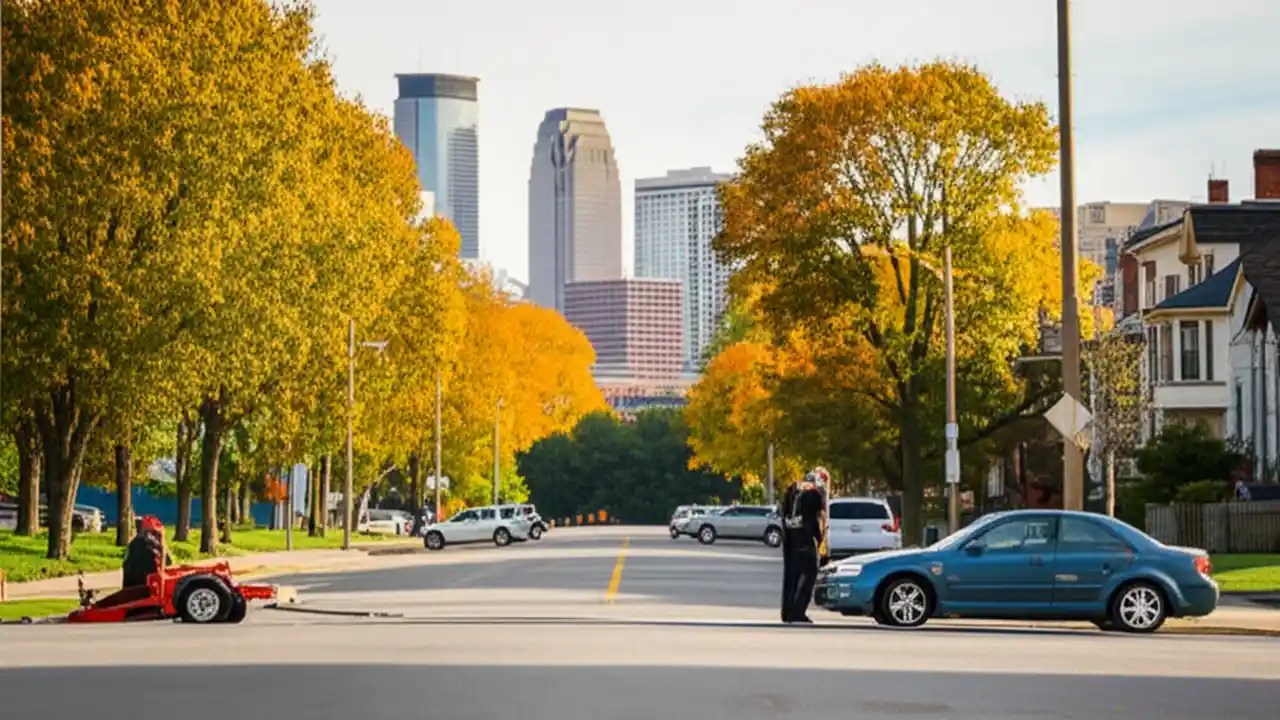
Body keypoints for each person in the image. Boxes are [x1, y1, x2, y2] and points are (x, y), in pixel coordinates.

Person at [780, 468, 828, 624]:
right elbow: (819, 518)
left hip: (790, 539)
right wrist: (820, 540)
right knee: (809, 575)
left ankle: (787, 611)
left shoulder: (791, 490)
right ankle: (798, 612)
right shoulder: (815, 494)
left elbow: (782, 513)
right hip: (807, 539)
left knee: (791, 576)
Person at [121, 515, 171, 588]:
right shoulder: (149, 545)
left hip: (130, 587)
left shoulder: (134, 542)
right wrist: (162, 543)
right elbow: (168, 563)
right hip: (144, 587)